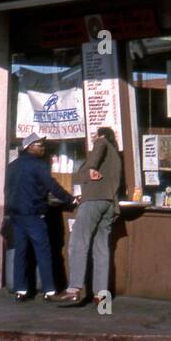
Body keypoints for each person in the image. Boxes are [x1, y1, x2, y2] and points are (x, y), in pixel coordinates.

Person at [55, 126, 123, 306]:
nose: (94, 139)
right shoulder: (116, 155)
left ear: (102, 135)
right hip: (109, 203)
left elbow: (98, 149)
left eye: (95, 135)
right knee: (102, 250)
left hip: (93, 200)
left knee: (78, 241)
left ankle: (74, 289)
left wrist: (91, 167)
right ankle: (102, 298)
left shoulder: (102, 143)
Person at [5, 134, 75, 301]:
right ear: (30, 147)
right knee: (43, 252)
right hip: (34, 214)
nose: (43, 148)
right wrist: (70, 198)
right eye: (40, 145)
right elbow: (52, 186)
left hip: (16, 214)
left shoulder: (12, 166)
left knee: (21, 253)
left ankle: (20, 290)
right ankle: (49, 290)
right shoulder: (39, 165)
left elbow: (7, 189)